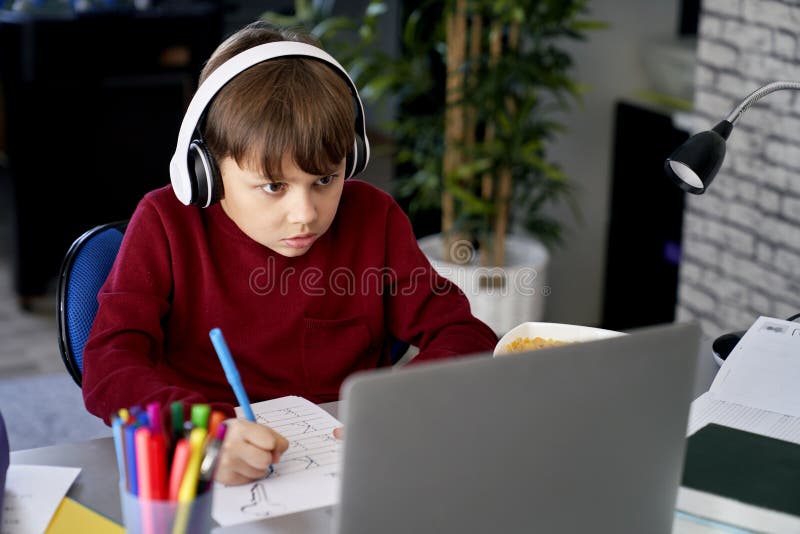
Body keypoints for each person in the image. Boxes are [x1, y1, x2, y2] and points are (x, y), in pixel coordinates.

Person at [81, 20, 498, 486]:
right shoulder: (165, 223)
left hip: (349, 469)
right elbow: (109, 364)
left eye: (325, 179)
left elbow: (463, 332)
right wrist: (199, 432)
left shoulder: (374, 218)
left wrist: (401, 400)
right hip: (212, 470)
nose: (305, 214)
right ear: (207, 171)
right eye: (273, 186)